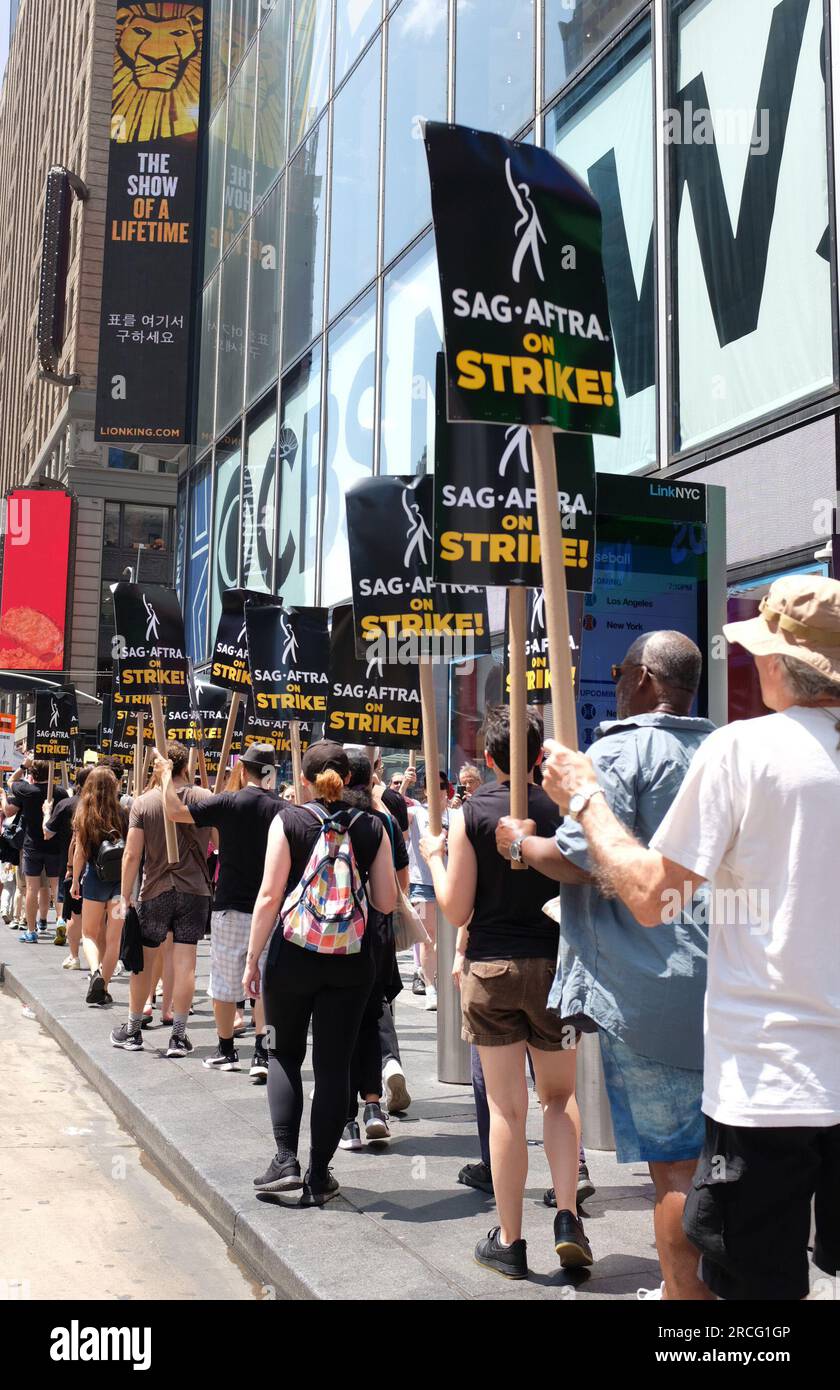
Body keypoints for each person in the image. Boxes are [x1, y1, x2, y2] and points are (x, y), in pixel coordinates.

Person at [541, 578, 840, 1302]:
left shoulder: (744, 750)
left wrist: (584, 798)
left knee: (758, 1295)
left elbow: (652, 895)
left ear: (775, 664)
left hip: (769, 1083)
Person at [496, 630, 712, 1301]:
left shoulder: (621, 750)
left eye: (621, 670)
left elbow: (578, 858)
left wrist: (525, 846)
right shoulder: (723, 749)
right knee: (722, 1161)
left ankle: (686, 1301)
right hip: (726, 981)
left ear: (646, 679)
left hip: (649, 985)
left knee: (674, 1166)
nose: (614, 680)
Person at [421, 706, 590, 1280]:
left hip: (491, 969)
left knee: (505, 1108)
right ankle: (568, 1217)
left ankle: (512, 1240)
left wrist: (436, 859)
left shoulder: (470, 813)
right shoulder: (565, 807)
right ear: (538, 753)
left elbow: (455, 908)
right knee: (560, 1099)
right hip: (555, 968)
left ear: (488, 757)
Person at [243, 741, 396, 1207]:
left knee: (284, 1053)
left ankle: (284, 1159)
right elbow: (387, 902)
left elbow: (270, 895)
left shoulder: (288, 820)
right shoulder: (373, 825)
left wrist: (252, 959)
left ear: (305, 779)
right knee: (333, 1066)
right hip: (352, 962)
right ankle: (320, 1173)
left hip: (293, 955)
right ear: (349, 778)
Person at [159, 742, 284, 1081]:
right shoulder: (284, 808)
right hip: (271, 908)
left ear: (243, 770)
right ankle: (264, 1053)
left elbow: (174, 812)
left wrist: (165, 776)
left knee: (224, 984)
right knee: (266, 987)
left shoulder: (230, 802)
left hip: (230, 905)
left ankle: (226, 1050)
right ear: (271, 773)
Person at [109, 742, 213, 1058]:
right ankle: (178, 1036)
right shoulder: (205, 799)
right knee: (186, 963)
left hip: (154, 890)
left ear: (160, 768)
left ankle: (133, 1029)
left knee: (144, 962)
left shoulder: (143, 803)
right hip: (194, 891)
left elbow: (131, 854)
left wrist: (123, 897)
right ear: (188, 766)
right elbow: (219, 843)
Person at [338, 750, 407, 1149]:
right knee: (371, 1012)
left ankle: (347, 1119)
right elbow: (396, 887)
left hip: (332, 936)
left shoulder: (325, 820)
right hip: (375, 934)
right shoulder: (382, 823)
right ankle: (373, 1106)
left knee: (339, 1023)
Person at [70, 766, 129, 1007]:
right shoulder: (124, 813)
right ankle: (103, 986)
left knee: (89, 933)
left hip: (94, 879)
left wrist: (75, 880)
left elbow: (80, 853)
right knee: (114, 939)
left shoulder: (85, 814)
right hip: (121, 884)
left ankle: (94, 971)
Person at [3, 759, 62, 942]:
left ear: (33, 774)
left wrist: (23, 766)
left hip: (32, 846)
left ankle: (30, 930)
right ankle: (60, 920)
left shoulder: (28, 791)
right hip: (55, 845)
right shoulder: (61, 793)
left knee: (31, 888)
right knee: (56, 887)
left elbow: (10, 782)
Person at [406, 770, 450, 1009]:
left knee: (450, 938)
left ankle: (445, 983)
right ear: (424, 790)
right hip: (422, 885)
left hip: (451, 882)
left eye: (442, 785)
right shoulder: (416, 812)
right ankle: (430, 987)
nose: (438, 790)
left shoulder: (457, 815)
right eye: (432, 786)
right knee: (428, 937)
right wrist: (403, 785)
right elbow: (393, 814)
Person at [44, 766, 91, 969]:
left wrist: (47, 812)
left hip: (72, 865)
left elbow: (48, 833)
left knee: (73, 912)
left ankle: (73, 953)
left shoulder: (66, 804)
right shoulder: (109, 807)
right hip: (104, 872)